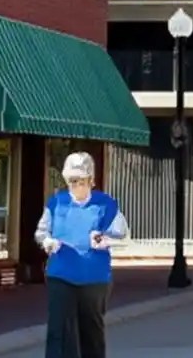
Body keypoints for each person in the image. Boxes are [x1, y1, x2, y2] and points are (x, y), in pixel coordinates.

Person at [35, 152, 129, 358]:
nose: (76, 185)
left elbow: (122, 235)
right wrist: (48, 242)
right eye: (72, 181)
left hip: (94, 278)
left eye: (81, 180)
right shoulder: (56, 203)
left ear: (91, 180)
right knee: (58, 330)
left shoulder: (106, 204)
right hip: (60, 275)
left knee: (91, 331)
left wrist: (105, 241)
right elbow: (42, 233)